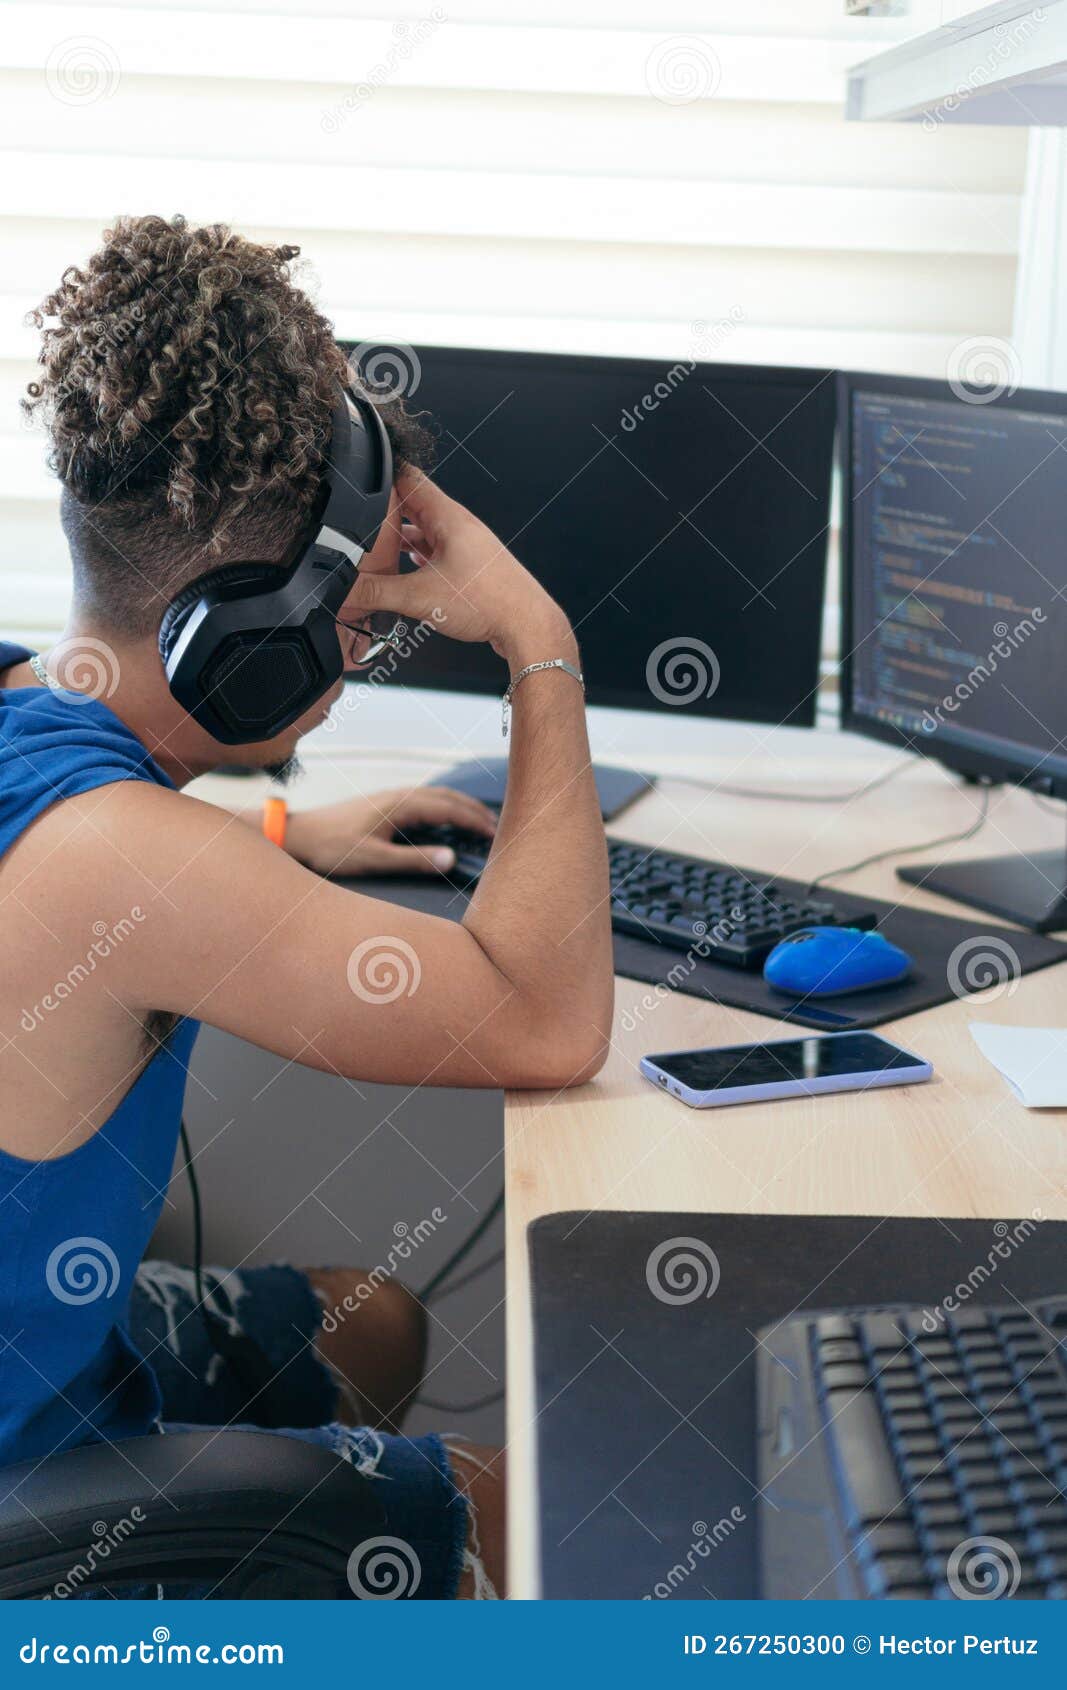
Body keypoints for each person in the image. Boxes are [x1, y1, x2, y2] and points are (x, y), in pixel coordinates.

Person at [0, 214, 614, 1599]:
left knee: (374, 1322)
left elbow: (87, 872)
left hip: (44, 1338)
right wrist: (540, 643)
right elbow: (547, 1014)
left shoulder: (42, 720)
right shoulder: (132, 863)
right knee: (510, 1511)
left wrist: (281, 831)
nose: (367, 644)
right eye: (351, 621)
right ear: (245, 641)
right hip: (26, 1474)